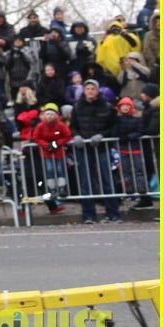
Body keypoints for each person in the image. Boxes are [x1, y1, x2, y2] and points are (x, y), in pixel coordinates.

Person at [69, 79, 121, 223]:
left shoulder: (107, 107)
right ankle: (88, 215)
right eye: (88, 89)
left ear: (97, 91)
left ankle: (113, 213)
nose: (90, 91)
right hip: (84, 148)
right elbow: (73, 126)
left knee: (107, 180)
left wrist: (103, 135)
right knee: (86, 182)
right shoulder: (77, 107)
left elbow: (113, 127)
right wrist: (76, 136)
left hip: (102, 146)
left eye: (93, 88)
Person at [29, 104, 71, 213]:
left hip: (59, 152)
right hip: (46, 152)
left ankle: (62, 187)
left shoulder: (60, 125)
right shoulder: (40, 126)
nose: (49, 117)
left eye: (51, 115)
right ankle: (52, 189)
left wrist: (57, 143)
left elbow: (67, 135)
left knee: (60, 169)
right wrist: (45, 145)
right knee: (49, 170)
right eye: (47, 114)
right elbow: (36, 137)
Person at [113, 96, 150, 208]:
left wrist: (130, 137)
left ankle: (141, 187)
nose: (125, 108)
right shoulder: (118, 120)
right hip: (124, 149)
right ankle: (129, 187)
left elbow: (140, 130)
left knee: (139, 169)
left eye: (127, 105)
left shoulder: (137, 119)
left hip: (135, 148)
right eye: (122, 105)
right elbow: (115, 131)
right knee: (126, 170)